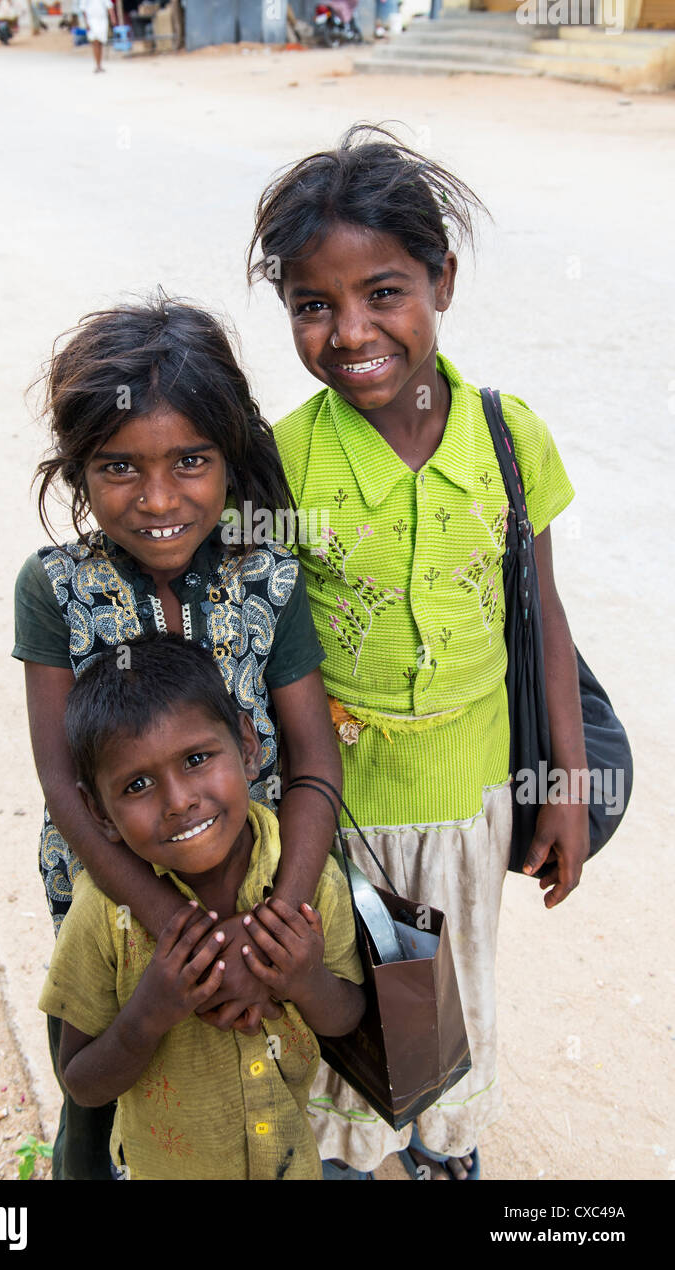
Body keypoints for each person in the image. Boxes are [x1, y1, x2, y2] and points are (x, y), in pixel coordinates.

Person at [247, 123, 590, 1180]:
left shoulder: (506, 436)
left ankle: (445, 1147)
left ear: (440, 278)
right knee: (349, 992)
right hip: (331, 808)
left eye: (383, 292)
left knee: (453, 984)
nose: (350, 330)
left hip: (472, 793)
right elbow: (256, 644)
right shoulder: (283, 463)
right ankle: (355, 1156)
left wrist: (563, 785)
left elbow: (543, 616)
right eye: (313, 304)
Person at [13, 295, 343, 1178]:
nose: (159, 499)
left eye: (190, 461)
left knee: (254, 1072)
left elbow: (313, 765)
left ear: (229, 459)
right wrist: (176, 929)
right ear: (77, 470)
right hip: (114, 900)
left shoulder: (267, 572)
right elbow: (62, 786)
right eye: (119, 467)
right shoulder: (55, 588)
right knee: (105, 1077)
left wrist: (274, 919)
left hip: (260, 885)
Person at [38, 635, 364, 1180]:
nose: (178, 800)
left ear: (247, 742)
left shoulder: (305, 881)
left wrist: (305, 979)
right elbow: (82, 1082)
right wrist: (148, 1015)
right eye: (137, 784)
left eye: (196, 759)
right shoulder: (103, 917)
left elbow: (347, 1020)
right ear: (97, 812)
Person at [78, 0, 116, 72]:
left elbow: (108, 4)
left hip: (102, 19)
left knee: (100, 41)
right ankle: (97, 64)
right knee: (94, 41)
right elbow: (83, 8)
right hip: (91, 19)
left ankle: (100, 63)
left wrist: (112, 17)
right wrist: (86, 22)